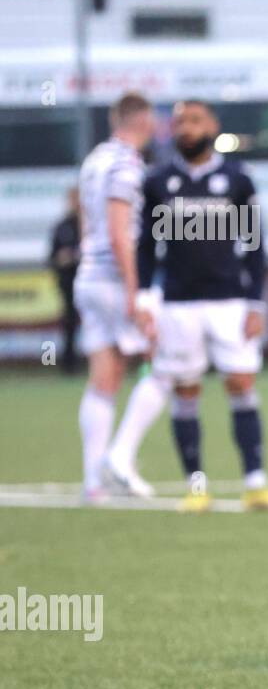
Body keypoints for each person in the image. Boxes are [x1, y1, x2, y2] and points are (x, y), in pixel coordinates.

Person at [138, 100, 268, 513]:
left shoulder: (237, 178)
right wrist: (143, 298)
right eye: (178, 123)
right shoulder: (157, 181)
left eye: (194, 121)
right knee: (185, 390)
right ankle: (196, 487)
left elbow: (255, 244)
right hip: (178, 304)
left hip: (229, 301)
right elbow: (145, 247)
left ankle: (256, 484)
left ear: (212, 126)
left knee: (241, 384)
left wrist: (255, 303)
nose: (185, 129)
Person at [72, 92, 170, 502]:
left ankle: (94, 482)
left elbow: (85, 221)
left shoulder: (95, 159)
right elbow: (118, 232)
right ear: (144, 122)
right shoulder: (127, 165)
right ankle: (120, 457)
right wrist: (135, 291)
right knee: (166, 363)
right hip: (114, 280)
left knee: (104, 379)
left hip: (88, 277)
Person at [49, 187, 81, 375]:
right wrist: (63, 258)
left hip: (88, 282)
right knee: (69, 323)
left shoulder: (91, 224)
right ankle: (69, 365)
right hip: (69, 282)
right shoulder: (62, 227)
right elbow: (52, 257)